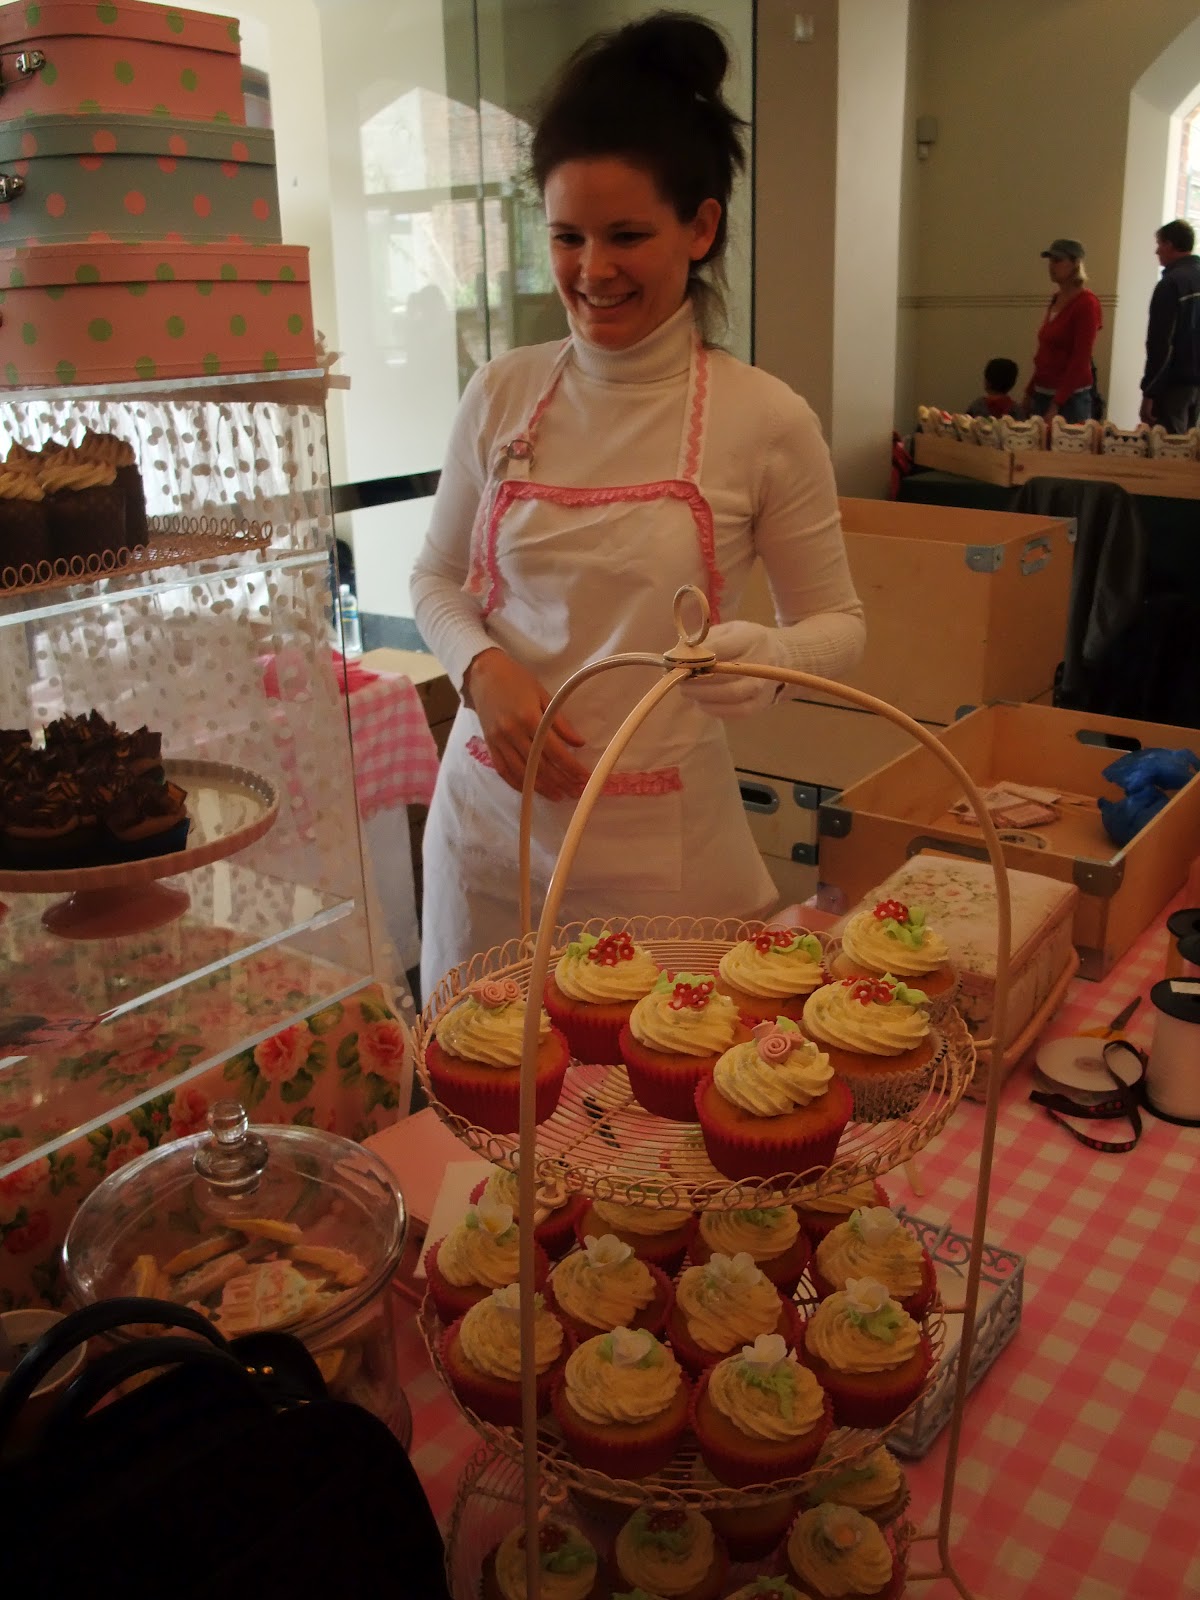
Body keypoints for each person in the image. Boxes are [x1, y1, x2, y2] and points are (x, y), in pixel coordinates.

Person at [410, 12, 864, 994]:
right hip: (487, 827)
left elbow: (841, 625)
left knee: (655, 1110)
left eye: (626, 236)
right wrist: (481, 670)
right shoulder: (501, 394)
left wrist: (773, 656)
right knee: (480, 1105)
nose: (590, 271)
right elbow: (437, 578)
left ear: (699, 228)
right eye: (566, 235)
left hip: (658, 851)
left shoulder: (765, 417)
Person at [1021, 239, 1103, 425]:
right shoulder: (1056, 299)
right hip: (1043, 390)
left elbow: (1080, 358)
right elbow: (1045, 350)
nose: (1051, 266)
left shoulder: (1086, 303)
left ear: (1075, 263)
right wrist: (1030, 390)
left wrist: (1057, 403)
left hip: (1070, 398)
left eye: (1057, 260)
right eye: (1050, 261)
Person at [1139, 218, 1200, 434]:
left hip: (1174, 385)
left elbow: (1161, 344)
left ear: (1170, 245)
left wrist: (1150, 391)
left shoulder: (1171, 284)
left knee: (1170, 451)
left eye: (1160, 244)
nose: (1157, 251)